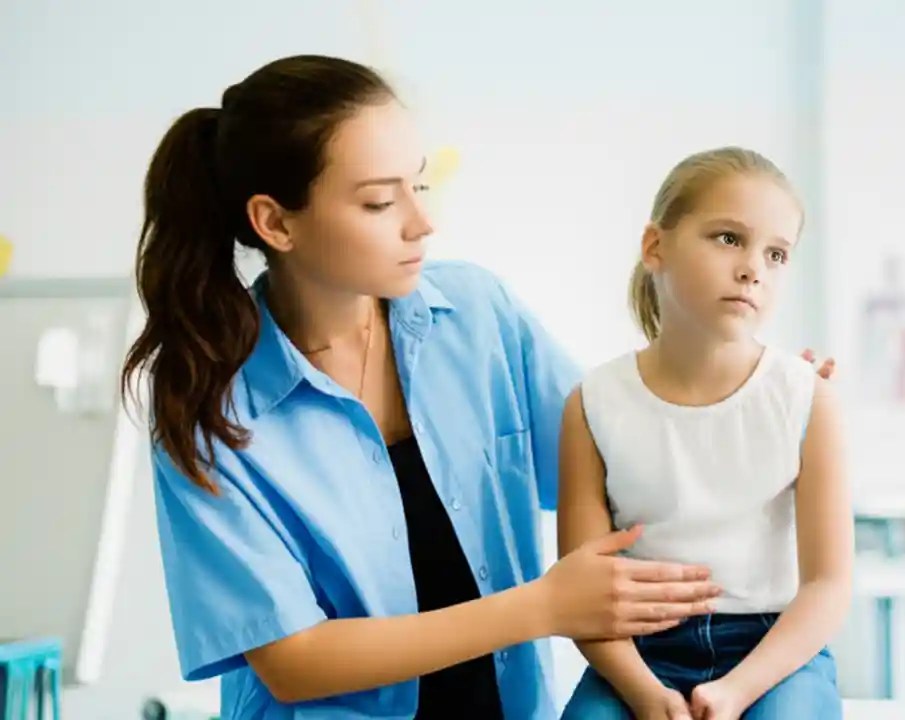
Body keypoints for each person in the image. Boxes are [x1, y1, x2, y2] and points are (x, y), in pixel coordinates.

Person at [121, 55, 833, 719]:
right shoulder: (209, 408)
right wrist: (544, 608)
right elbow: (293, 661)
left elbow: (626, 469)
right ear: (275, 222)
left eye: (420, 185)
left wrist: (745, 396)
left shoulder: (478, 317)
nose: (423, 222)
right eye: (377, 203)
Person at [557, 147, 853, 719]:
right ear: (655, 248)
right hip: (639, 655)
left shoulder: (807, 398)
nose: (753, 269)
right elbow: (582, 594)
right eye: (727, 238)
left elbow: (829, 586)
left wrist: (737, 691)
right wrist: (645, 693)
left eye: (776, 254)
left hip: (775, 651)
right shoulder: (592, 404)